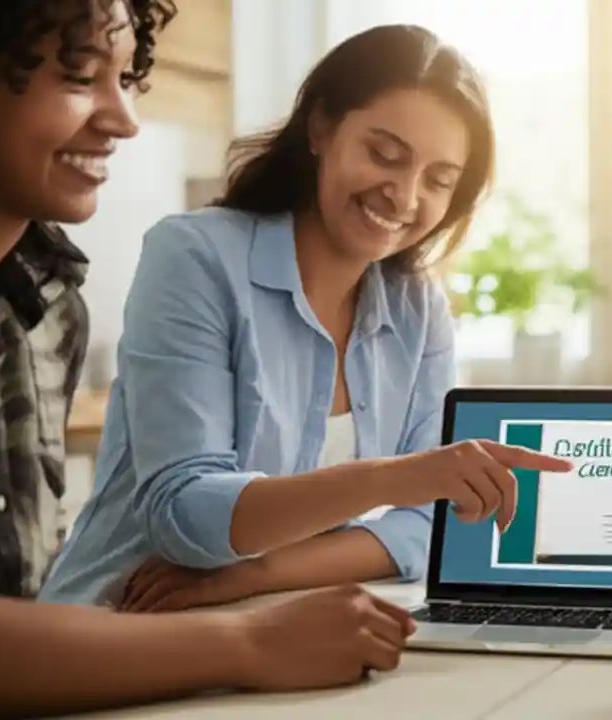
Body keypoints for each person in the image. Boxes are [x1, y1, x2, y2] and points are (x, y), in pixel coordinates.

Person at [0, 2, 421, 715]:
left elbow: (6, 608)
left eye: (127, 79)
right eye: (77, 76)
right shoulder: (194, 253)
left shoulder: (44, 312)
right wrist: (251, 643)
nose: (123, 119)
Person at [40, 24, 571, 610]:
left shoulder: (418, 309)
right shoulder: (197, 256)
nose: (405, 195)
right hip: (120, 627)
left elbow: (429, 525)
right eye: (384, 155)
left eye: (438, 180)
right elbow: (184, 514)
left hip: (269, 624)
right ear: (320, 128)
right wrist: (402, 477)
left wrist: (256, 575)